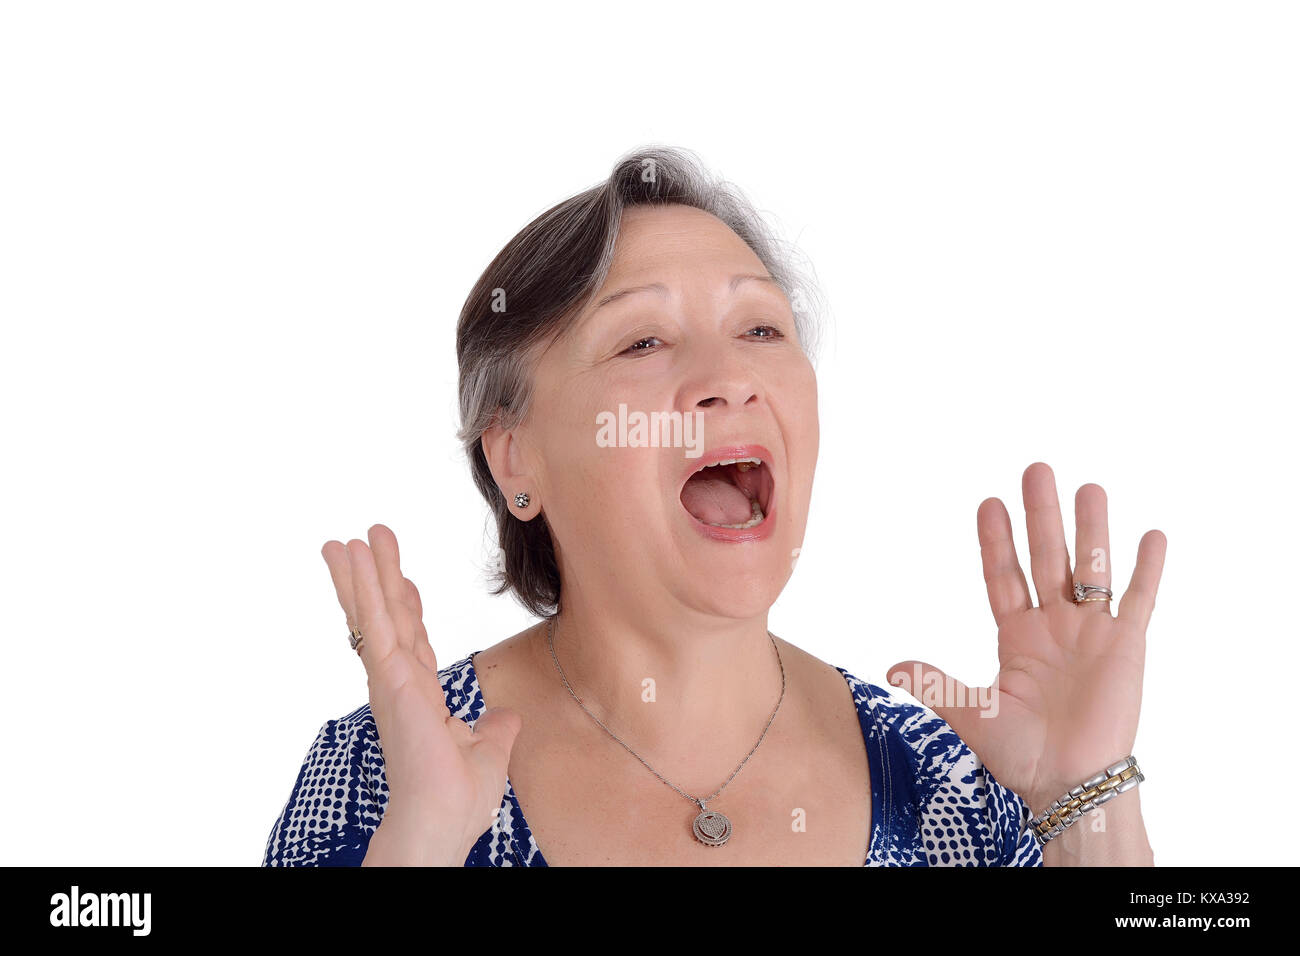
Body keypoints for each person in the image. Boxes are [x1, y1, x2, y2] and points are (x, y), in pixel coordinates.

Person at [262, 145, 1166, 867]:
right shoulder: (378, 774)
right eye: (644, 339)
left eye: (762, 329)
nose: (729, 377)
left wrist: (1087, 804)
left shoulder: (950, 789)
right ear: (514, 456)